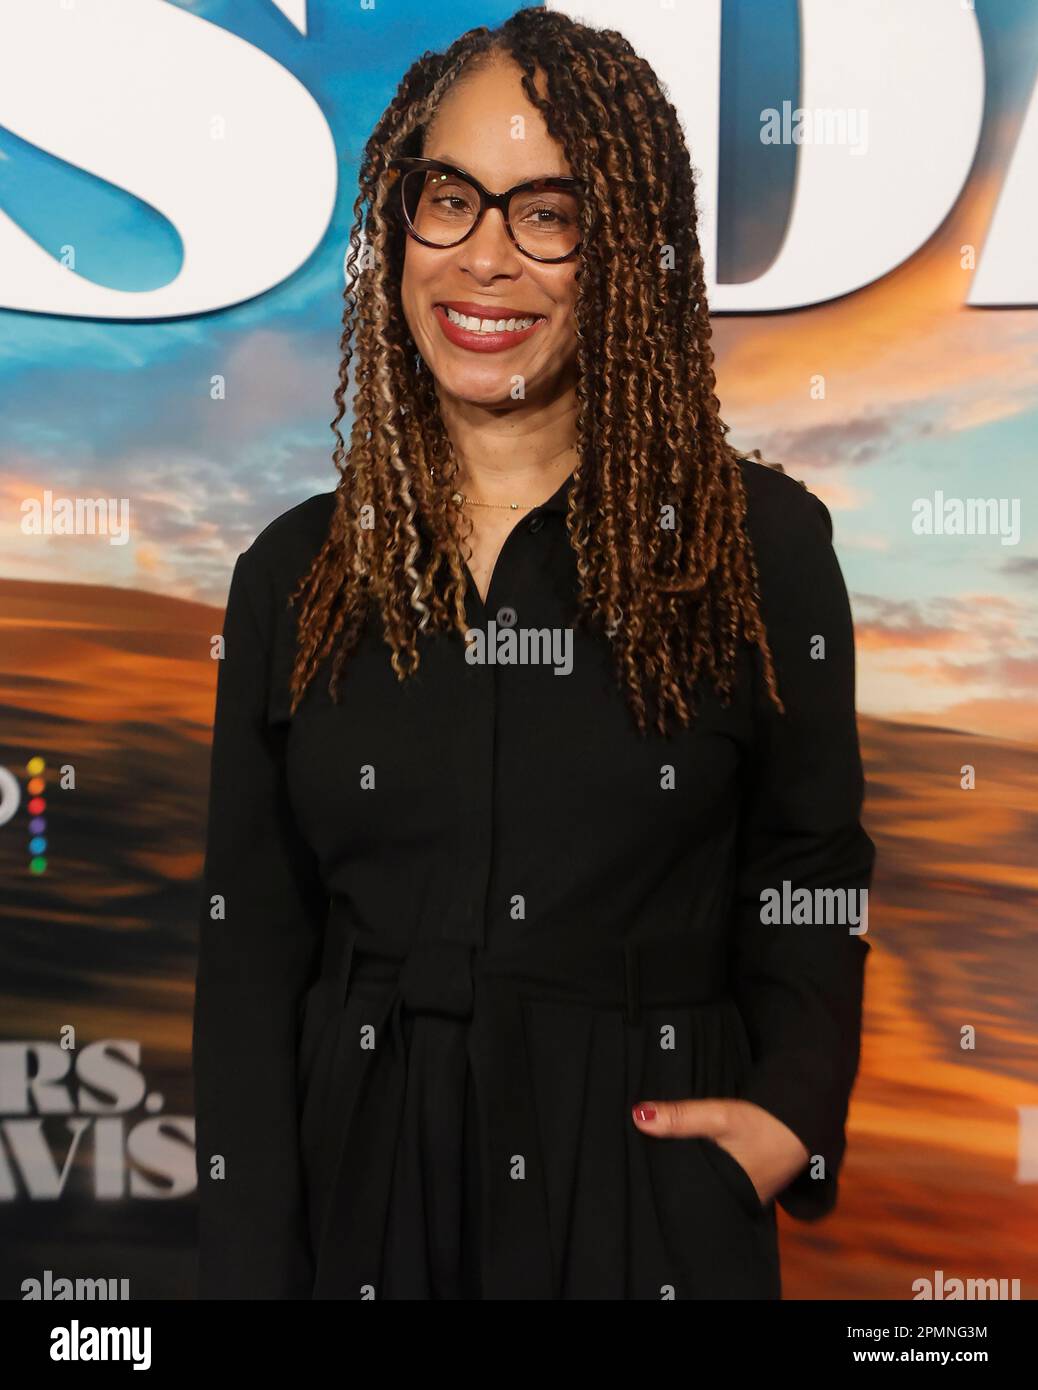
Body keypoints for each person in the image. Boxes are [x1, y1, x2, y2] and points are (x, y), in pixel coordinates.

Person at [192, 6, 875, 1300]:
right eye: (446, 199)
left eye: (546, 214)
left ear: (624, 253)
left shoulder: (756, 544)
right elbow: (248, 963)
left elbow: (810, 860)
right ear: (397, 229)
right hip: (364, 1183)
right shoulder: (294, 576)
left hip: (641, 1178)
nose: (483, 260)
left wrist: (788, 1109)